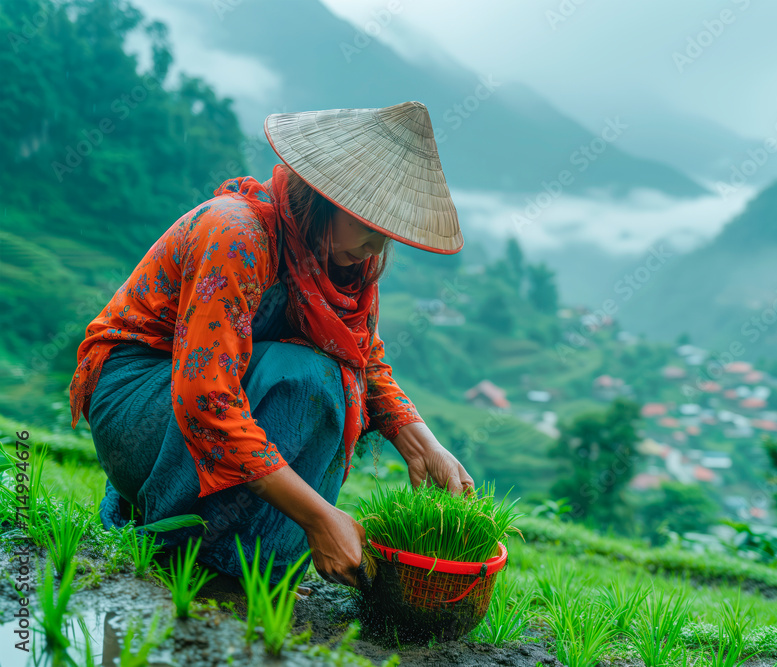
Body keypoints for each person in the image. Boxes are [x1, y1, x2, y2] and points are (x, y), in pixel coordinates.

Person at [68, 101, 474, 589]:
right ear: (325, 196)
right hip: (140, 402)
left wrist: (421, 442)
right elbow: (205, 398)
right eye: (367, 223)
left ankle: (241, 554)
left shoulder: (345, 262)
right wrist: (321, 518)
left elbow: (363, 361)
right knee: (310, 379)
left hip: (207, 398)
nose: (376, 246)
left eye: (388, 235)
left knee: (329, 377)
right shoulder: (237, 234)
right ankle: (184, 539)